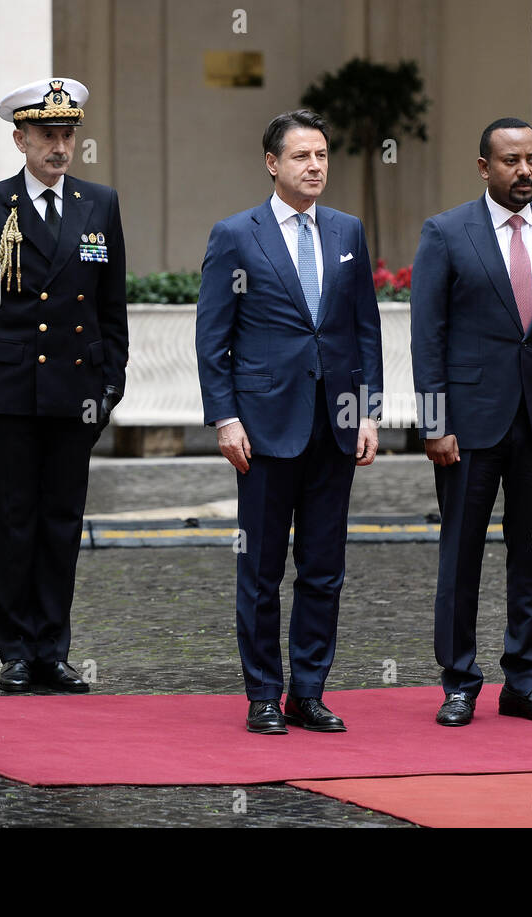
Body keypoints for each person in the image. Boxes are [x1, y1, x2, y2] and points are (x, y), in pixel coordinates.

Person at [195, 110, 383, 734]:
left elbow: (364, 332)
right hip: (265, 427)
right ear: (273, 163)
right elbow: (212, 338)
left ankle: (309, 691)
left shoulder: (347, 231)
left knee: (324, 567)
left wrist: (368, 414)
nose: (315, 167)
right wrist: (225, 418)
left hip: (334, 425)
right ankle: (261, 695)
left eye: (323, 156)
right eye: (302, 156)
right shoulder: (236, 235)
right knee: (262, 568)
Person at [0, 78, 128, 693]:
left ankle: (53, 648)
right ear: (19, 138)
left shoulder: (99, 204)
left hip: (75, 393)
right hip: (11, 390)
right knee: (14, 521)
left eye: (68, 134)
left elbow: (111, 305)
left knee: (62, 522)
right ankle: (15, 650)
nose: (60, 145)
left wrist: (111, 383)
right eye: (47, 134)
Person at [410, 117, 532, 727]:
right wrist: (434, 424)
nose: (525, 172)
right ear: (485, 167)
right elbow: (427, 336)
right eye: (512, 161)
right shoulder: (445, 233)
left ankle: (524, 681)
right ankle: (459, 682)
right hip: (467, 427)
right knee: (461, 554)